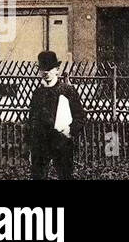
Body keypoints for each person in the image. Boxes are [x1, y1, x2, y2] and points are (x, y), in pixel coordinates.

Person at [26, 51, 86, 180]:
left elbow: (80, 116)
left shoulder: (67, 91)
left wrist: (70, 130)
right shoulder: (38, 93)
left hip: (62, 141)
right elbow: (32, 119)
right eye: (43, 69)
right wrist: (31, 144)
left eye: (49, 69)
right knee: (38, 176)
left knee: (65, 176)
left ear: (57, 70)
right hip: (41, 143)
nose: (46, 73)